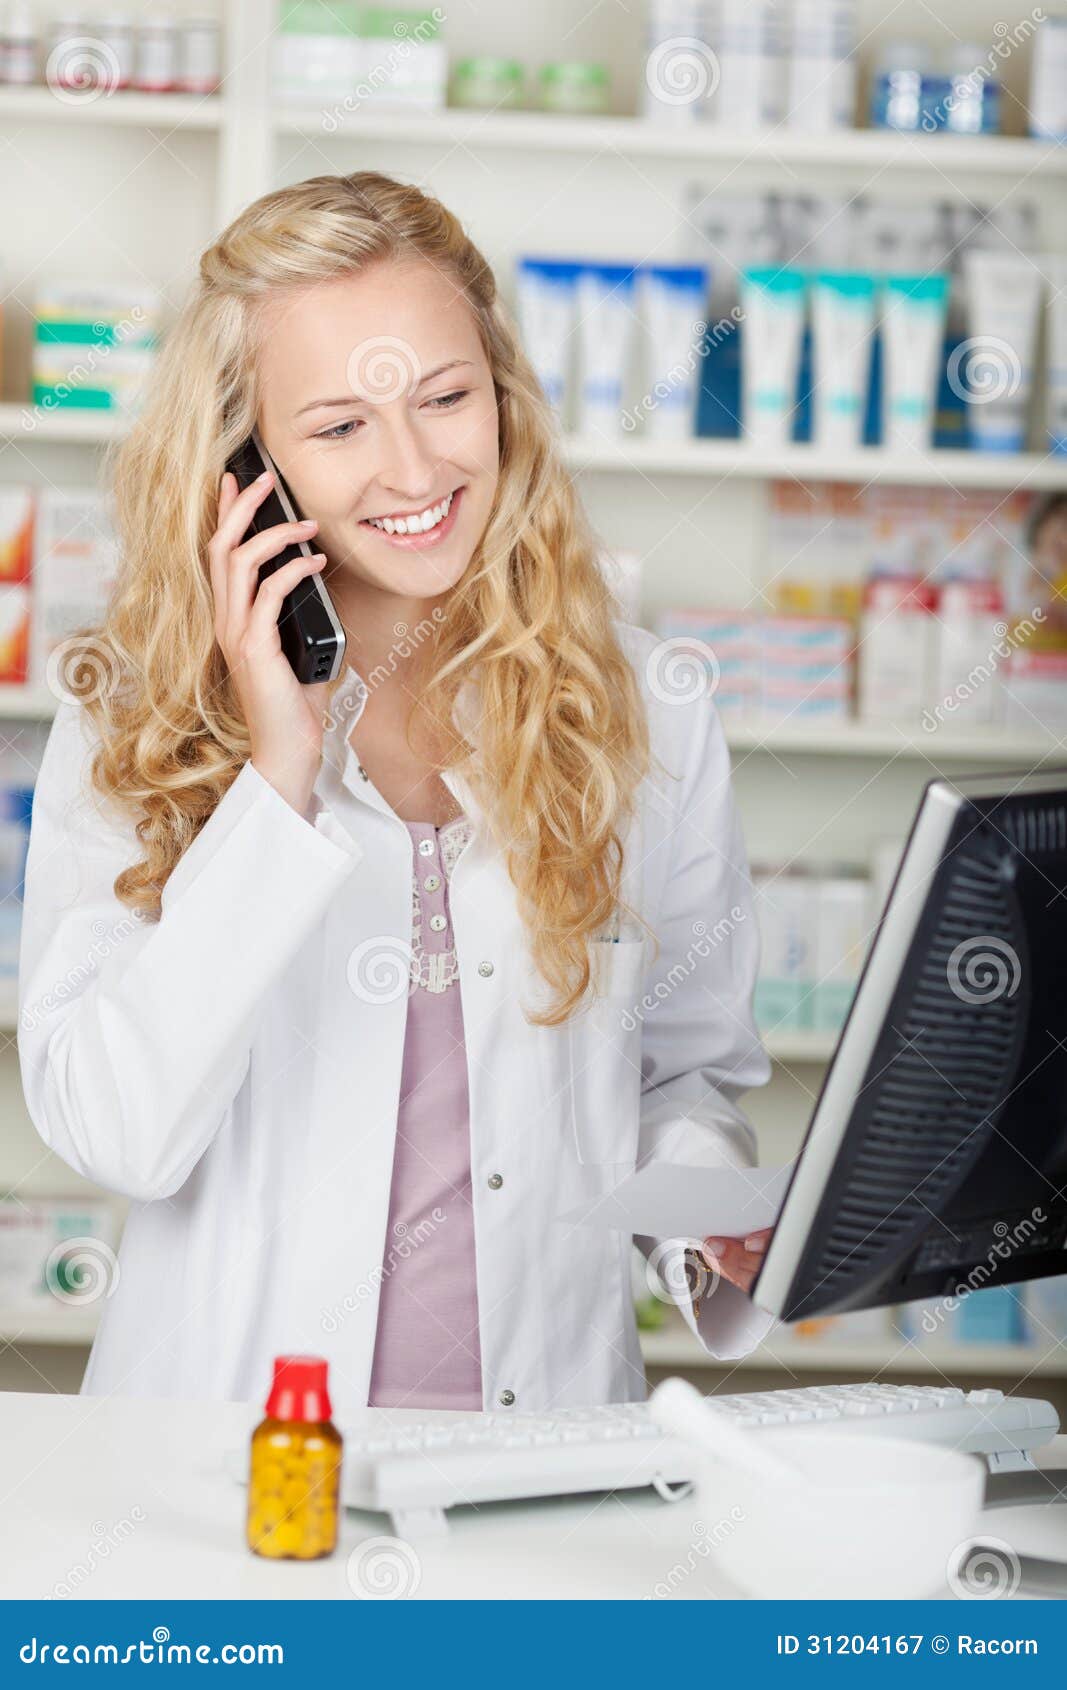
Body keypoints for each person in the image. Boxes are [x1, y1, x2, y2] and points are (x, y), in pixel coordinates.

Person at [17, 171, 775, 1419]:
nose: (415, 466)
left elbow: (677, 1076)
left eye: (444, 397)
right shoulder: (137, 720)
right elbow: (118, 1131)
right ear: (244, 466)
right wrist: (278, 774)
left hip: (544, 1457)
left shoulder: (645, 708)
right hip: (226, 1459)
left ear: (501, 398)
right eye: (338, 427)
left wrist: (710, 1222)